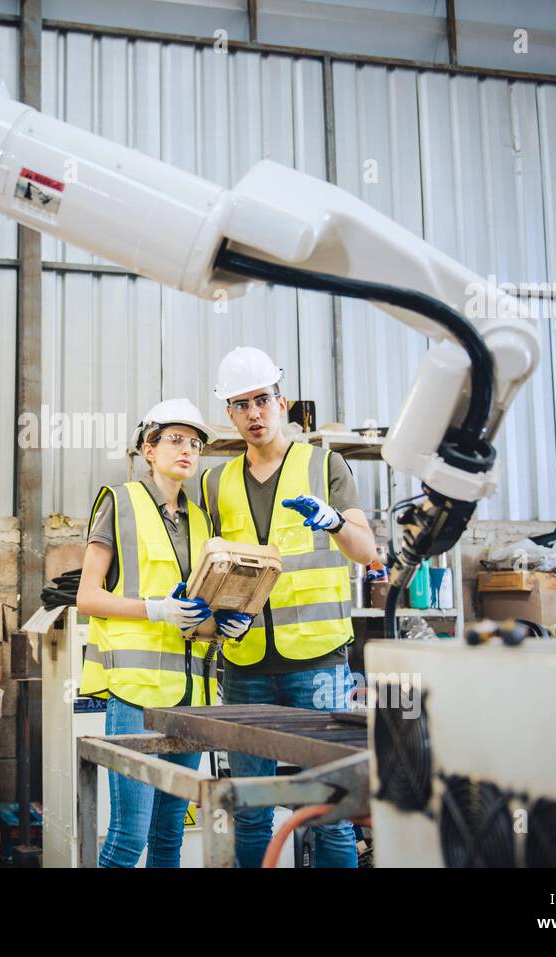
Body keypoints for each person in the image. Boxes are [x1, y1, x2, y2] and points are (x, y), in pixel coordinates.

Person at [201, 347, 378, 868]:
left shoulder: (326, 465)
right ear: (228, 414)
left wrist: (335, 523)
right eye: (240, 404)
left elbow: (368, 552)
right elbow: (211, 569)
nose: (253, 413)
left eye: (261, 400)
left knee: (329, 811)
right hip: (244, 662)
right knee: (251, 811)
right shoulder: (215, 482)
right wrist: (212, 615)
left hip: (318, 661)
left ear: (283, 402)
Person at [76, 398, 251, 868]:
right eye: (175, 440)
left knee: (170, 836)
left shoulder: (202, 521)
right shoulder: (120, 501)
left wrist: (224, 625)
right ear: (148, 449)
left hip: (192, 697)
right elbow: (87, 597)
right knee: (128, 838)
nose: (187, 450)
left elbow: (196, 611)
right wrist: (155, 610)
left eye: (195, 443)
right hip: (136, 697)